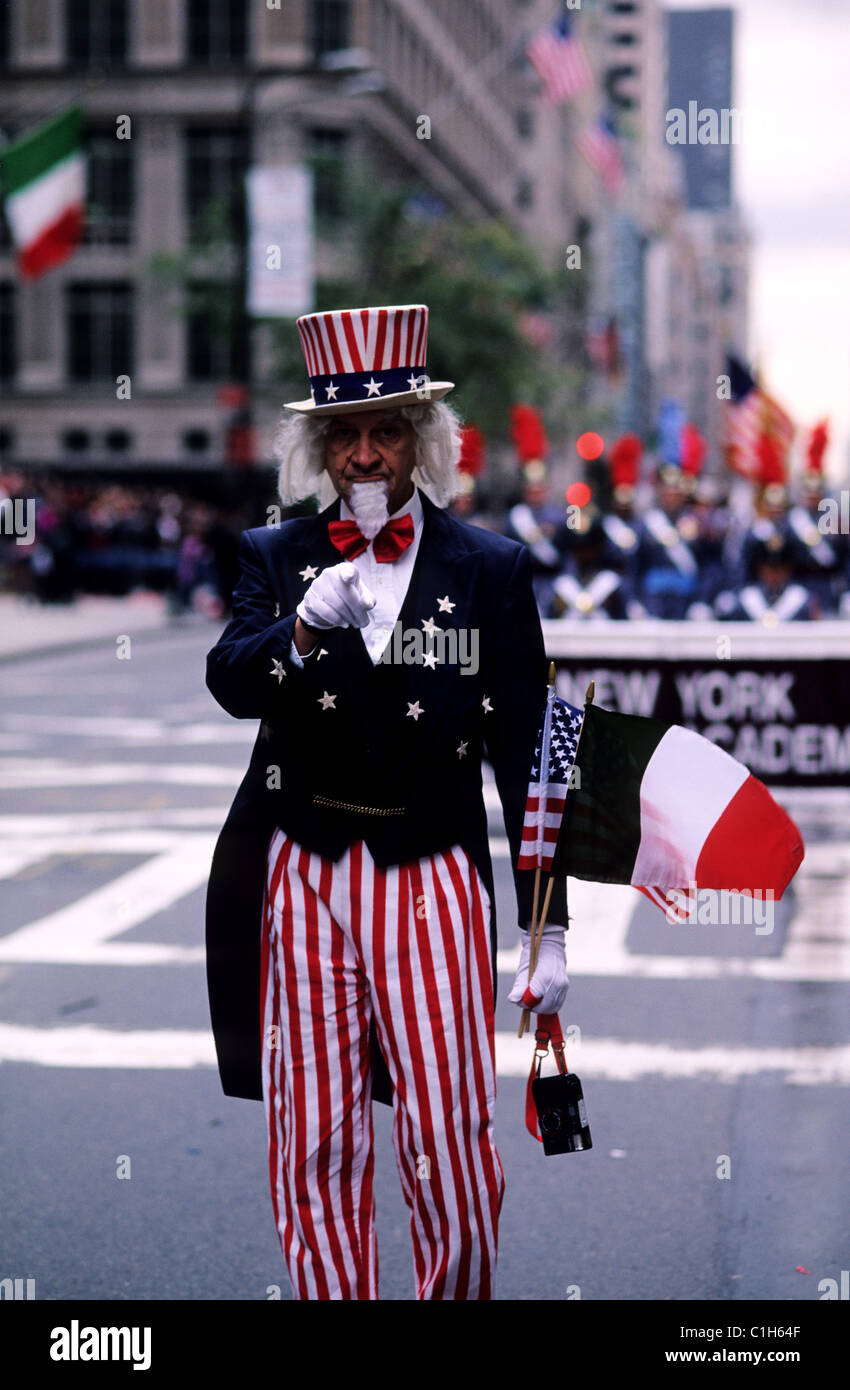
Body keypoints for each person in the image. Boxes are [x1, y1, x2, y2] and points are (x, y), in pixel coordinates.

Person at [204, 304, 569, 1301]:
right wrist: (305, 629)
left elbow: (530, 745)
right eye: (345, 435)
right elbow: (231, 680)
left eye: (387, 430)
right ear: (320, 446)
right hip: (306, 866)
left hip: (432, 870)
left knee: (446, 1130)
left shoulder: (490, 568)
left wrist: (551, 930)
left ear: (423, 440)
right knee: (313, 1129)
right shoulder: (272, 555)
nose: (365, 454)